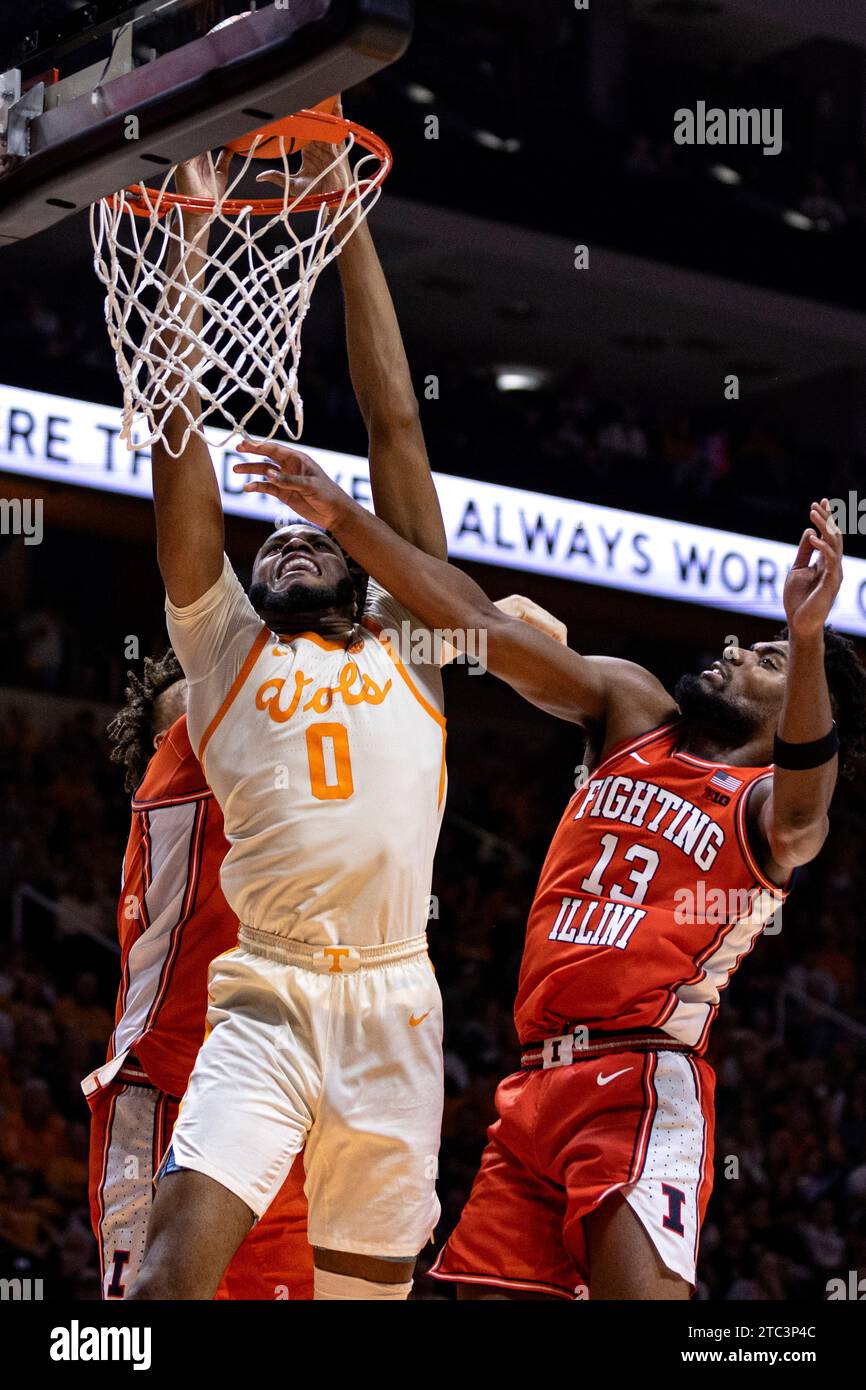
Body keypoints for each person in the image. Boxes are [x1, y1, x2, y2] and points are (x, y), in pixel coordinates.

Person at [230, 438, 866, 1300]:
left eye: (768, 659)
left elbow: (802, 813)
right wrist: (344, 516)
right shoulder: (633, 711)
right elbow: (480, 625)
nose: (738, 651)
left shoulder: (760, 807)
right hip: (533, 1085)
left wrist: (806, 633)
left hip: (637, 1080)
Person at [126, 126, 563, 1302]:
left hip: (395, 1007)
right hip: (266, 995)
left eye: (317, 531)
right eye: (274, 537)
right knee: (164, 1290)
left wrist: (345, 217)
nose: (292, 536)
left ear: (361, 570)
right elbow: (180, 444)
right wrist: (189, 246)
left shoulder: (413, 643)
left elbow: (396, 429)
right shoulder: (219, 649)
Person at [84, 650, 312, 1300]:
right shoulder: (175, 779)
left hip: (262, 1102)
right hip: (162, 1090)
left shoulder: (271, 815)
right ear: (166, 744)